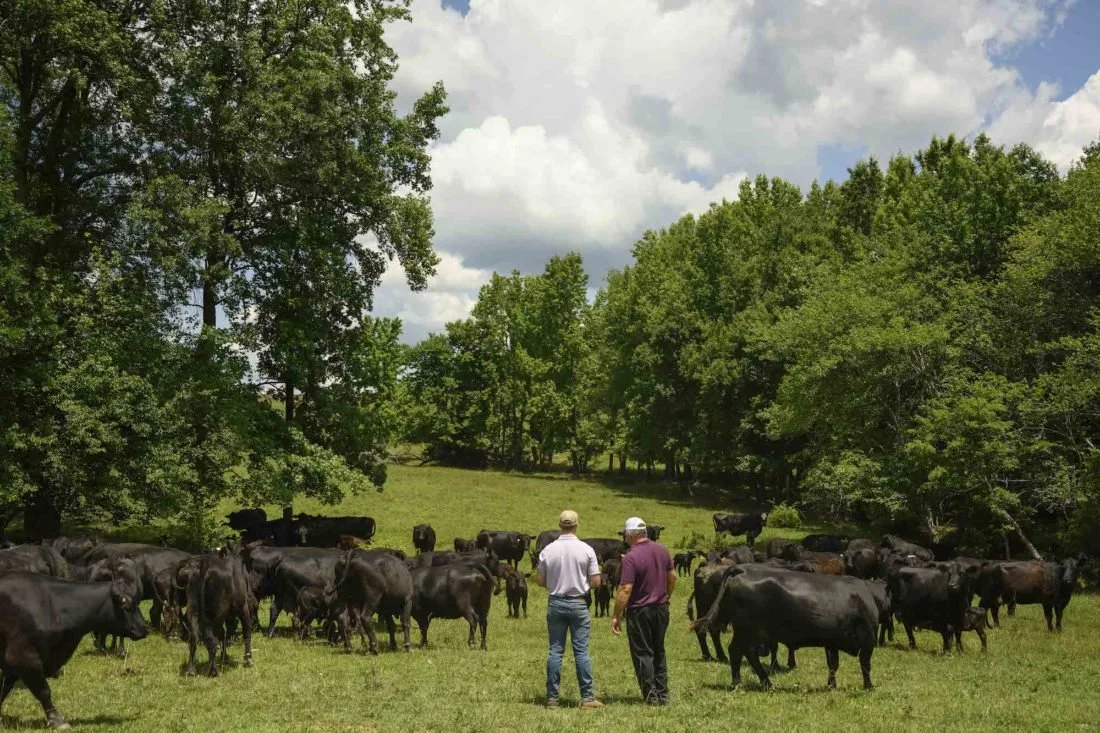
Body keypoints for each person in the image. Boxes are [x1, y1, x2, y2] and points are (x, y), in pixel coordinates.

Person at [534, 510, 604, 709]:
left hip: (555, 602)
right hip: (579, 603)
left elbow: (539, 579)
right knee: (581, 651)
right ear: (576, 525)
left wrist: (554, 583)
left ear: (559, 525)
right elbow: (597, 581)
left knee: (555, 651)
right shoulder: (586, 549)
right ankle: (588, 698)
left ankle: (552, 698)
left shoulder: (548, 550)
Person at [611, 516, 675, 705]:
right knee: (659, 650)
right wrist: (667, 597)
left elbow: (625, 589)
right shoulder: (662, 550)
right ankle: (663, 695)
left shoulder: (631, 557)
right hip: (661, 608)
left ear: (630, 535)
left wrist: (616, 615)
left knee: (643, 652)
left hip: (640, 610)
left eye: (624, 535)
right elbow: (672, 577)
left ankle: (650, 696)